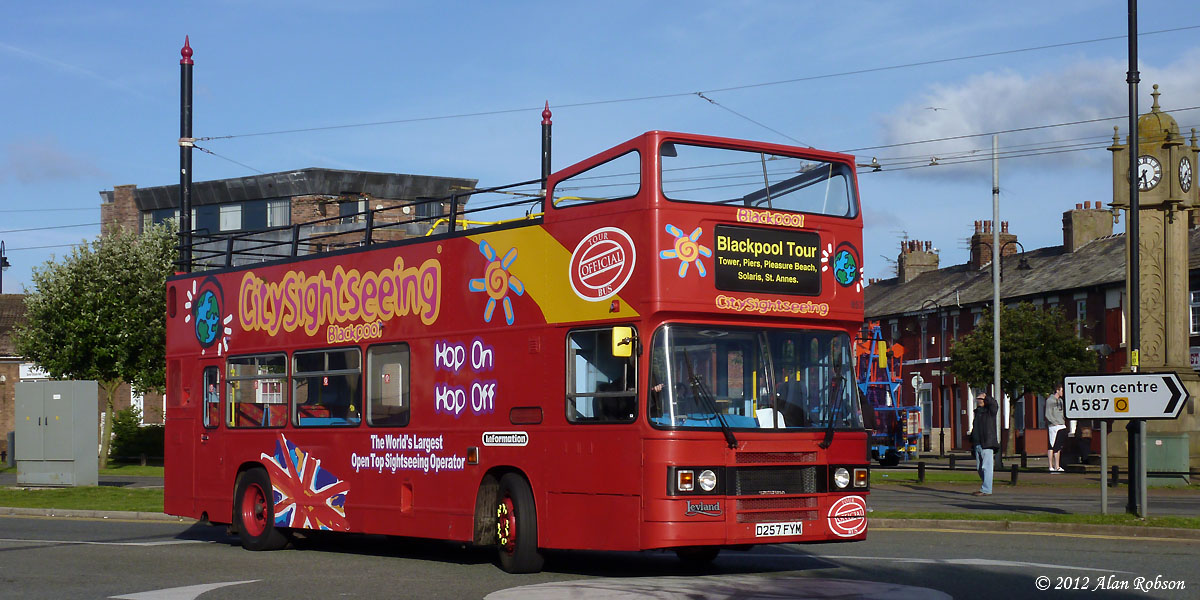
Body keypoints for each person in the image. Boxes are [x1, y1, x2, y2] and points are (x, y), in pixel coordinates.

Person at [968, 391, 999, 496]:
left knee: (987, 467)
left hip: (987, 443)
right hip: (977, 443)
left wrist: (987, 397)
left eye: (981, 399)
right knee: (980, 467)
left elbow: (994, 404)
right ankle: (986, 486)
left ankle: (986, 489)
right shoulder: (978, 412)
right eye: (978, 399)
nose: (979, 401)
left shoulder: (990, 411)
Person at [1045, 385, 1066, 473]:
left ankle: (1057, 466)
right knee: (1052, 446)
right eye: (1061, 390)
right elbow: (1048, 414)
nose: (1062, 392)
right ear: (1057, 390)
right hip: (1054, 426)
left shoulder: (1061, 401)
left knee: (1058, 446)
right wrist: (1054, 422)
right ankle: (1050, 465)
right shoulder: (1050, 400)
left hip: (1061, 424)